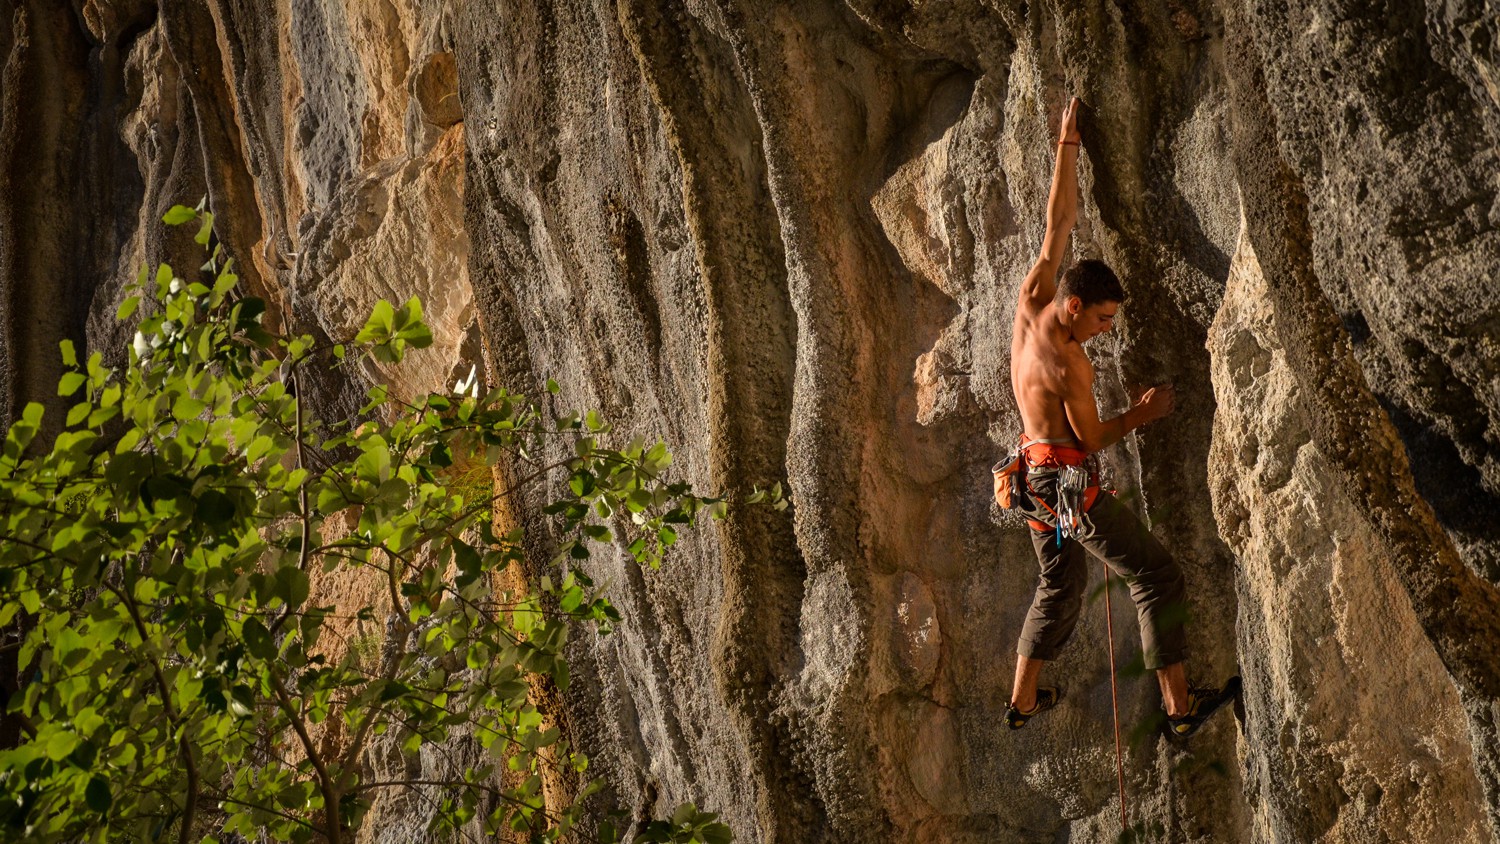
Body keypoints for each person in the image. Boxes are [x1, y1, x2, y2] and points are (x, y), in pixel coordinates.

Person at [998, 97, 1238, 738]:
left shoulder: (1032, 299)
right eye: (1103, 319)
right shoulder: (1069, 363)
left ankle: (1021, 701)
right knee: (1155, 573)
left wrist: (1067, 147)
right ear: (1075, 307)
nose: (1107, 331)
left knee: (1061, 583)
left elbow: (1059, 223)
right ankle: (1181, 712)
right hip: (1065, 484)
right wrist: (1141, 413)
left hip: (1029, 477)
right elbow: (1094, 436)